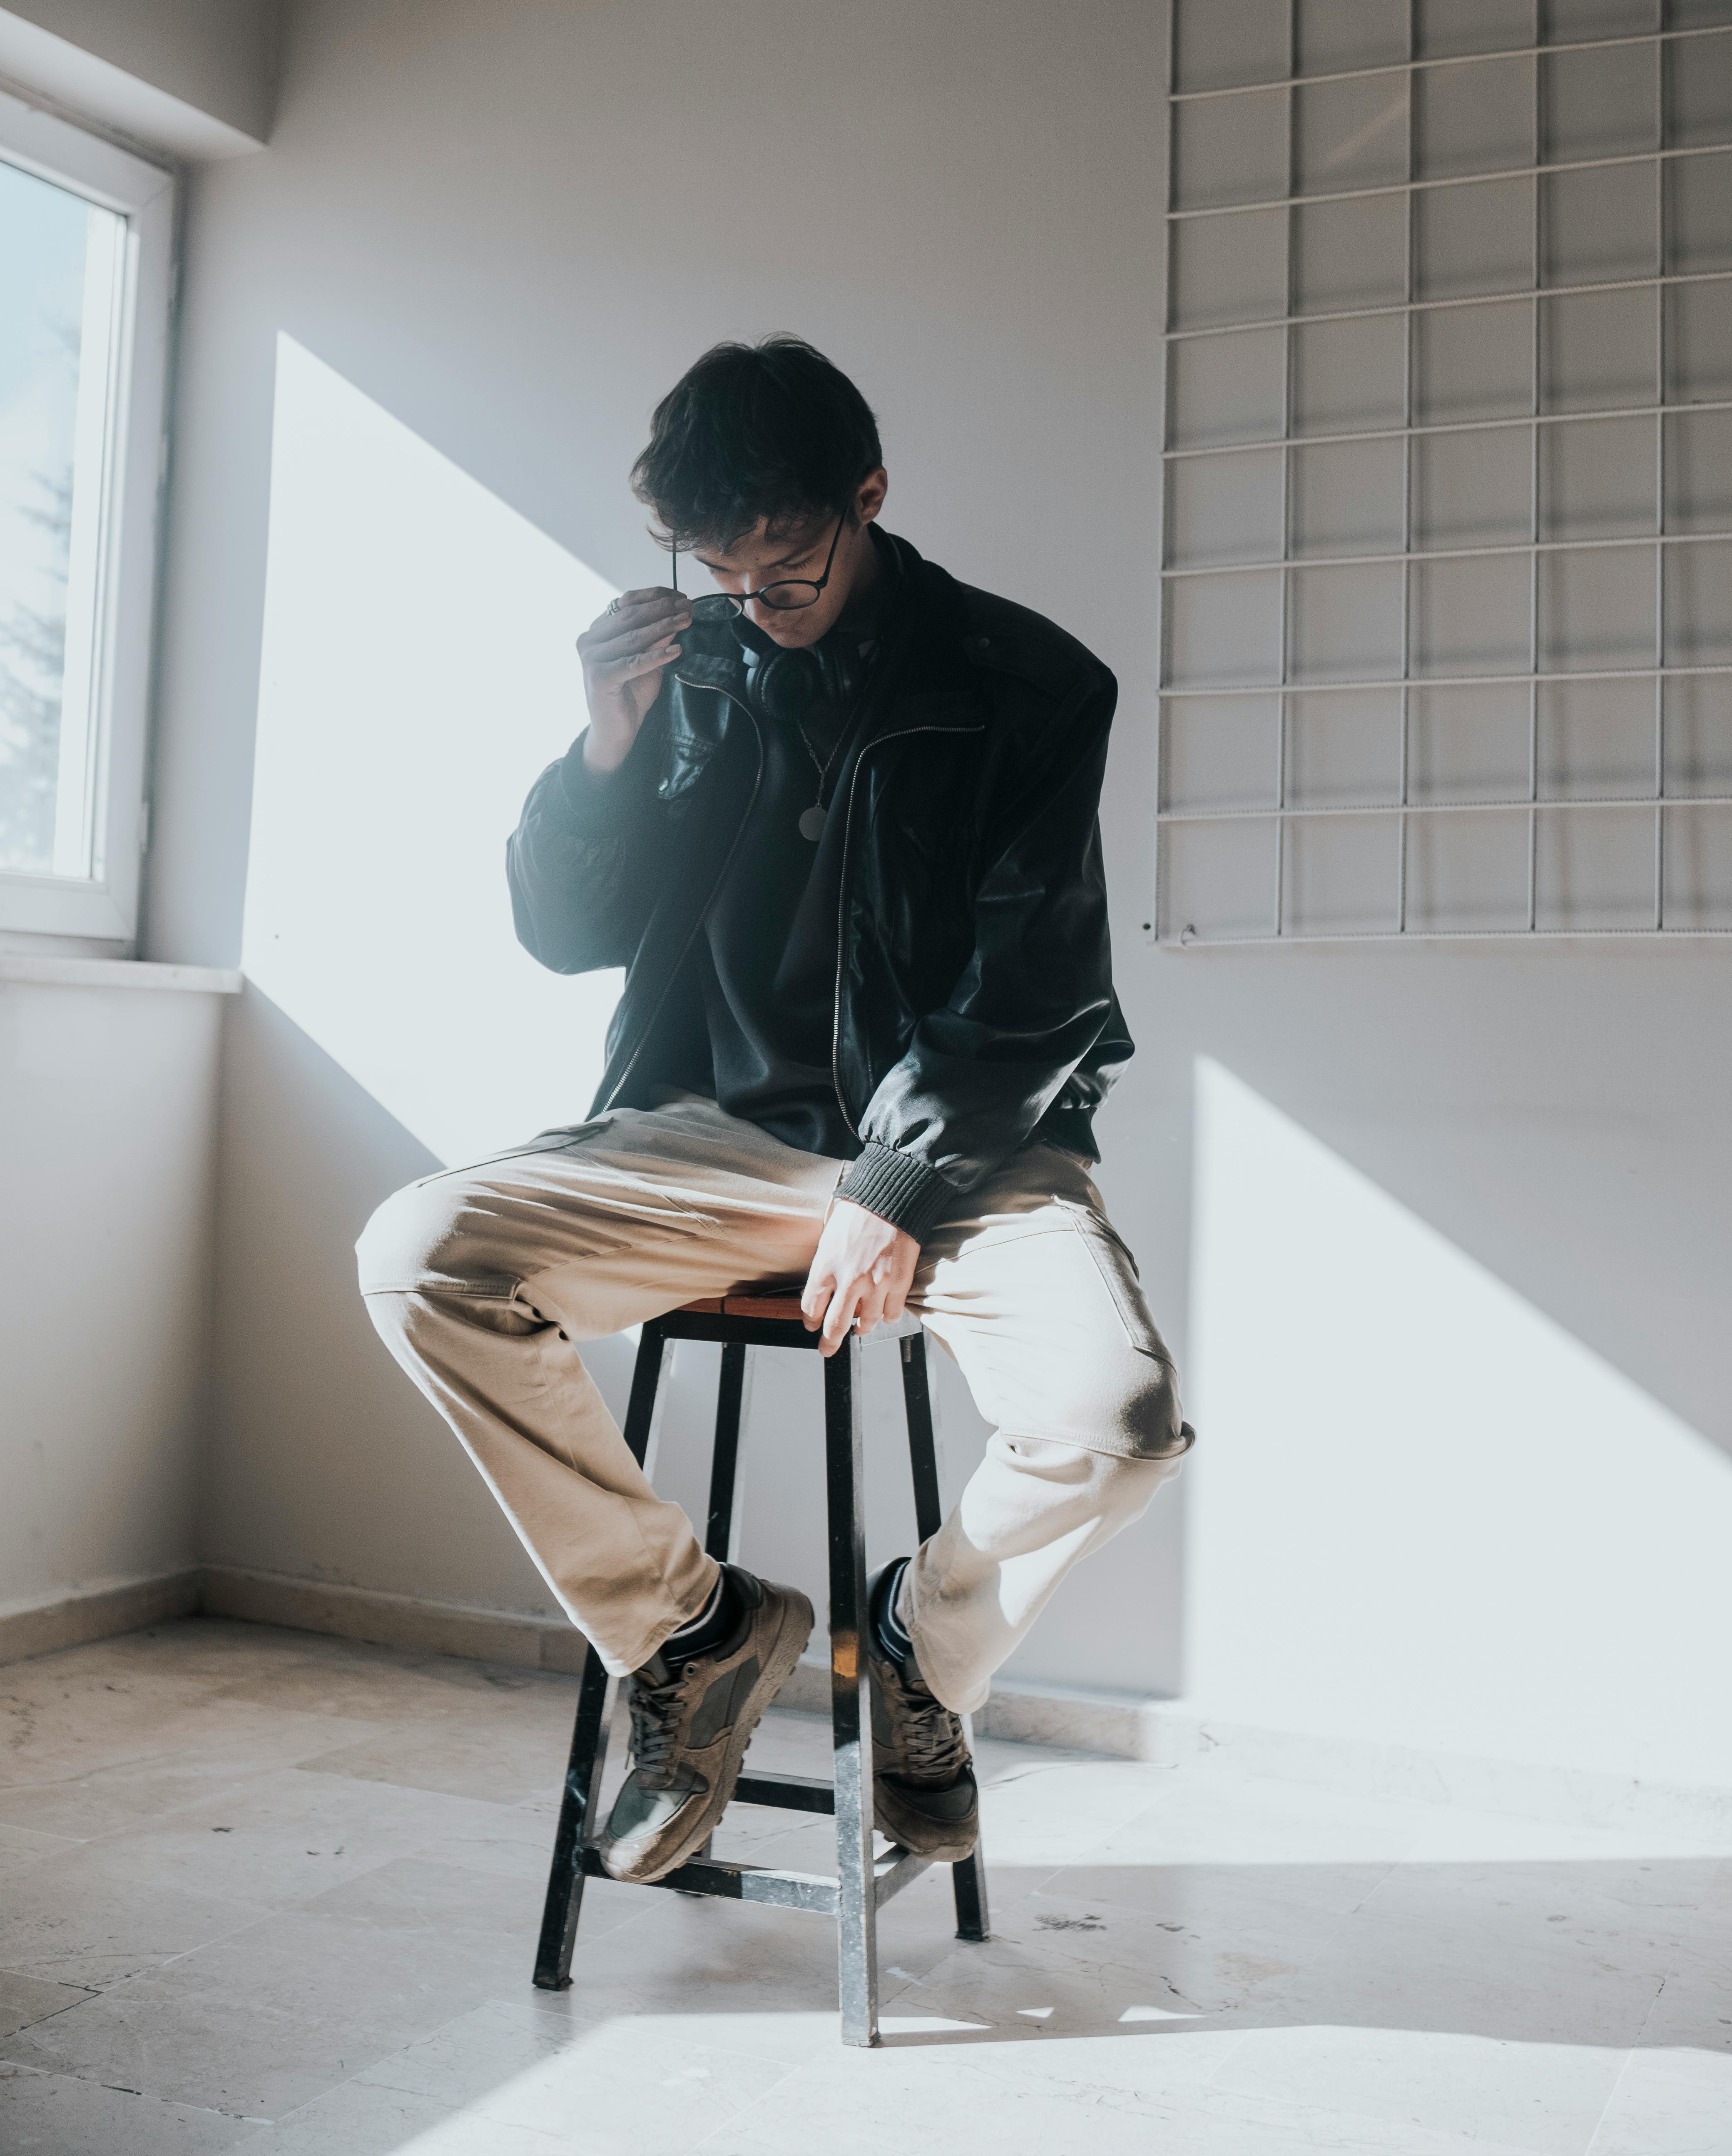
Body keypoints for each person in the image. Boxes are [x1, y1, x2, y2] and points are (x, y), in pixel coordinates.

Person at [357, 336, 1193, 1886]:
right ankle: (695, 1631)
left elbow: (1037, 983)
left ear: (867, 498)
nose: (755, 598)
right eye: (720, 569)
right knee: (417, 1256)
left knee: (1116, 1420)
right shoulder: (697, 667)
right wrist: (604, 747)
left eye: (787, 563)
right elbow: (566, 932)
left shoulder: (1029, 684)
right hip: (714, 1135)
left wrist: (893, 1181)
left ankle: (918, 1660)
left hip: (964, 1147)